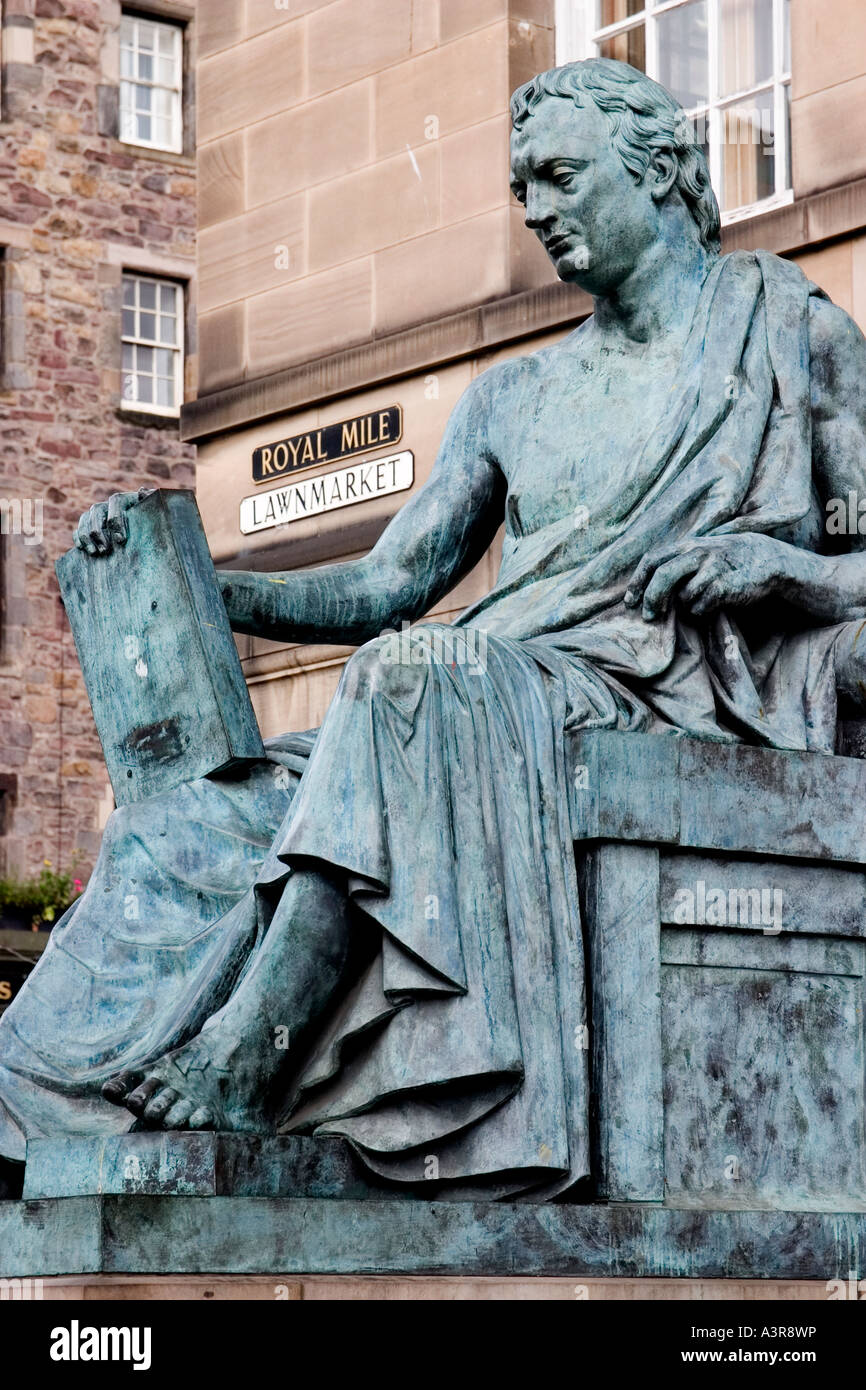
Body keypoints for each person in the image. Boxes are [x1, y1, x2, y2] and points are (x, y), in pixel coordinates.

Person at [3, 57, 866, 1200]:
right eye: (524, 192)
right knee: (206, 807)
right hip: (494, 683)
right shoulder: (512, 395)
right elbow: (383, 583)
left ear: (654, 167)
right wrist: (200, 584)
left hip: (652, 684)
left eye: (559, 177)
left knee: (415, 677)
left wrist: (775, 566)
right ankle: (44, 1101)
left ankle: (247, 1061)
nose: (537, 214)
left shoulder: (782, 329)